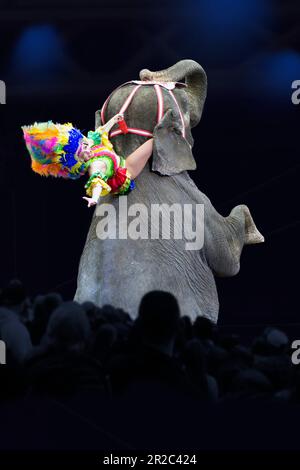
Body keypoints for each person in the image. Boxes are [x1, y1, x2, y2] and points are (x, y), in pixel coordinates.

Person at [22, 114, 154, 207]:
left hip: (114, 157)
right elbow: (96, 183)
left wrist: (114, 120)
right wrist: (94, 198)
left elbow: (99, 133)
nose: (87, 149)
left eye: (84, 145)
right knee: (153, 142)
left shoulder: (88, 146)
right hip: (125, 169)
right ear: (78, 160)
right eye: (83, 153)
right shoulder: (95, 165)